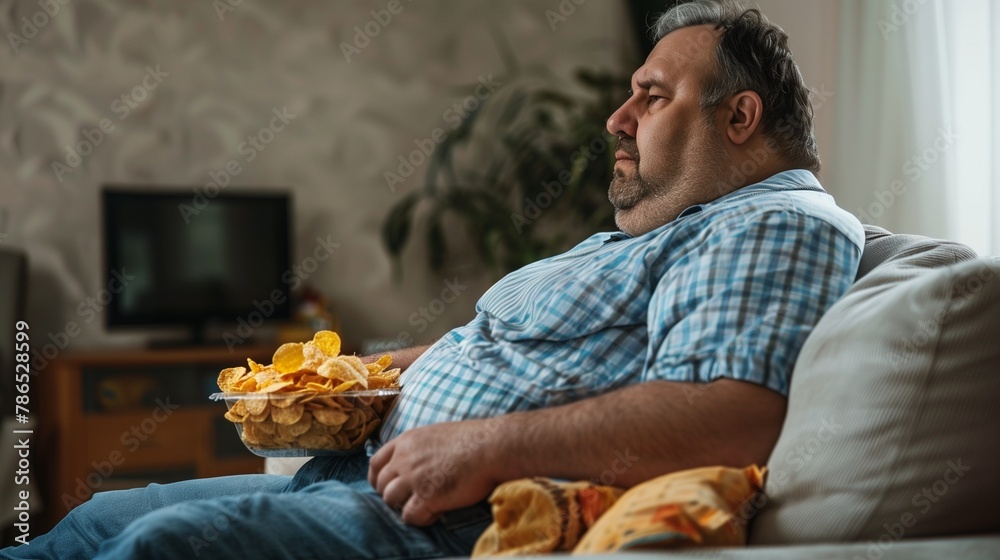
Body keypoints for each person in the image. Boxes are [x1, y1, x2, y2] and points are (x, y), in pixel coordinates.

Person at [2, 1, 865, 558]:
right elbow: (503, 344)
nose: (617, 117)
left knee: (162, 548)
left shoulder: (775, 224)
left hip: (453, 516)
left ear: (741, 116)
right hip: (368, 474)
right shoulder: (670, 231)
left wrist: (482, 446)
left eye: (650, 95)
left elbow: (732, 415)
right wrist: (356, 382)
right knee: (90, 522)